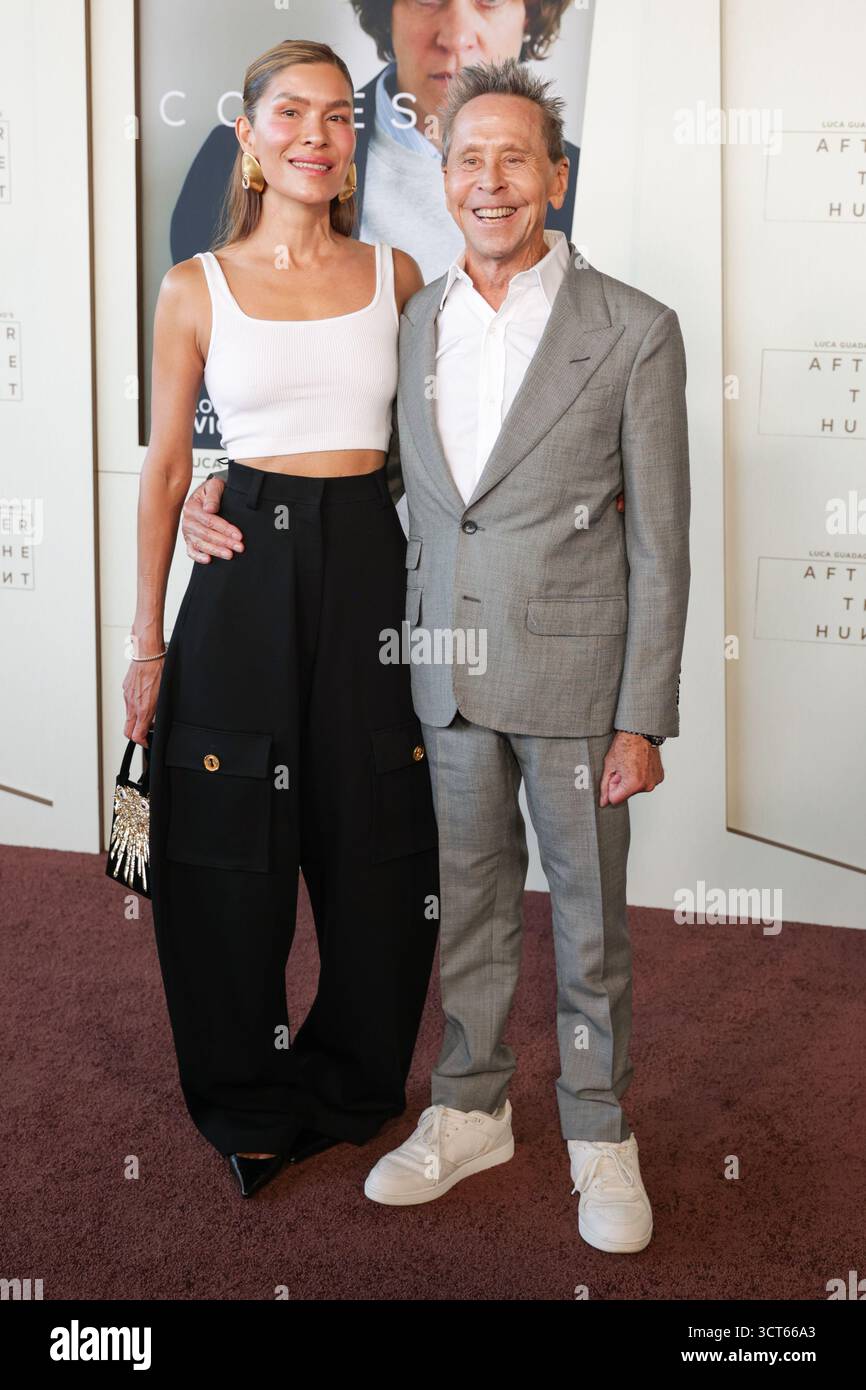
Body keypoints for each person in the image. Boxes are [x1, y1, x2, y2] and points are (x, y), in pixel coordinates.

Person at [183, 58, 690, 1253]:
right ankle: (470, 1109)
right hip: (439, 675)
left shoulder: (635, 329)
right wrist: (227, 481)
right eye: (467, 159)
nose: (489, 180)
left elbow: (663, 547)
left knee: (587, 925)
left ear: (554, 180)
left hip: (575, 682)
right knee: (461, 908)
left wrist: (641, 718)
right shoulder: (412, 319)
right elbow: (359, 461)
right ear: (441, 178)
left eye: (515, 158)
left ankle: (596, 1129)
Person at [123, 39, 440, 1199]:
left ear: (352, 143)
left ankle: (353, 1081)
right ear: (249, 139)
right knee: (224, 845)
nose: (316, 132)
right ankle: (243, 1095)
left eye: (333, 116)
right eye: (288, 114)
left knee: (377, 830)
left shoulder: (396, 275)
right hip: (244, 567)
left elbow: (429, 457)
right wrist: (146, 638)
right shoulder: (193, 283)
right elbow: (166, 469)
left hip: (367, 561)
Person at [170, 0, 579, 282]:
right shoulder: (238, 157)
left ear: (530, 13)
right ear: (388, 12)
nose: (456, 36)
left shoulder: (580, 178)